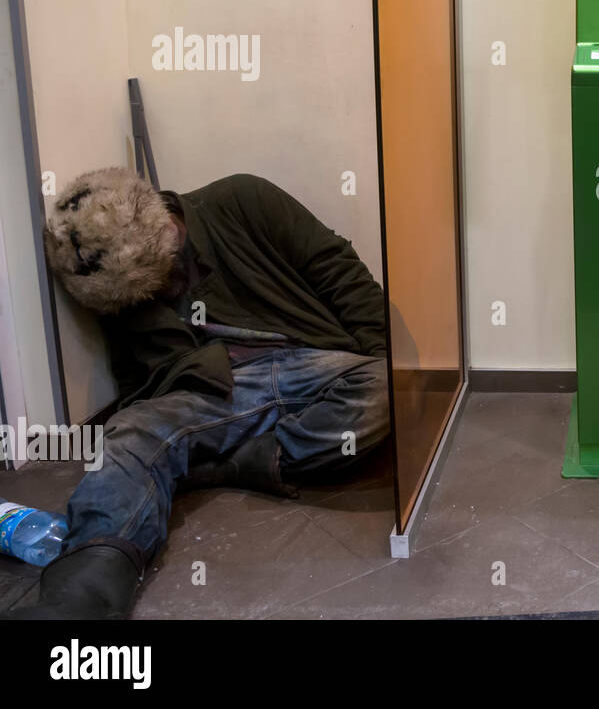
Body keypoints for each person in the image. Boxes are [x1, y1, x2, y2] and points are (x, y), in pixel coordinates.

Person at [6, 168, 390, 619]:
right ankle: (80, 597)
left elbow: (337, 271)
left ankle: (231, 466)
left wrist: (391, 361)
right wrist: (146, 427)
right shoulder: (108, 270)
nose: (162, 292)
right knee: (130, 431)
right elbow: (135, 376)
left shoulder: (243, 198)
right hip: (212, 387)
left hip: (309, 362)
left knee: (383, 390)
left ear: (168, 225)